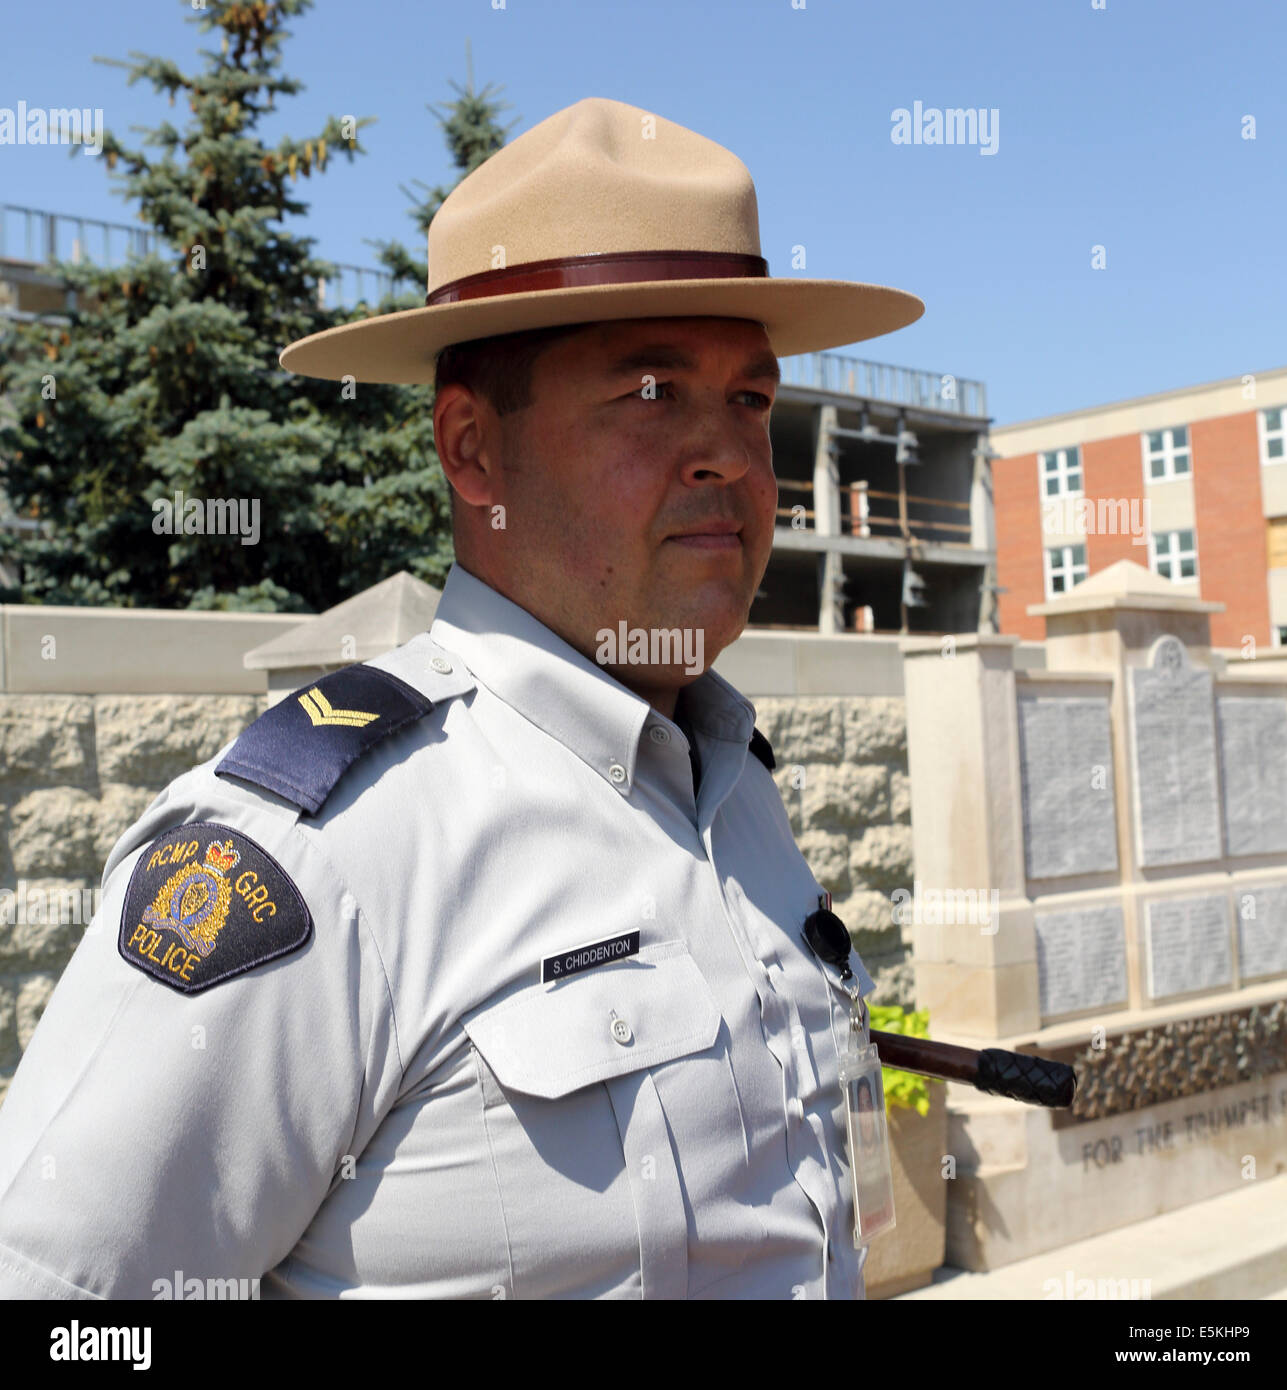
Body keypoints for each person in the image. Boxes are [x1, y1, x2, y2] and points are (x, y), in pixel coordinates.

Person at [0, 95, 923, 1300]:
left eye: (750, 400)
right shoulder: (324, 852)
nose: (731, 458)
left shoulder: (731, 786)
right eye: (651, 393)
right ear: (471, 450)